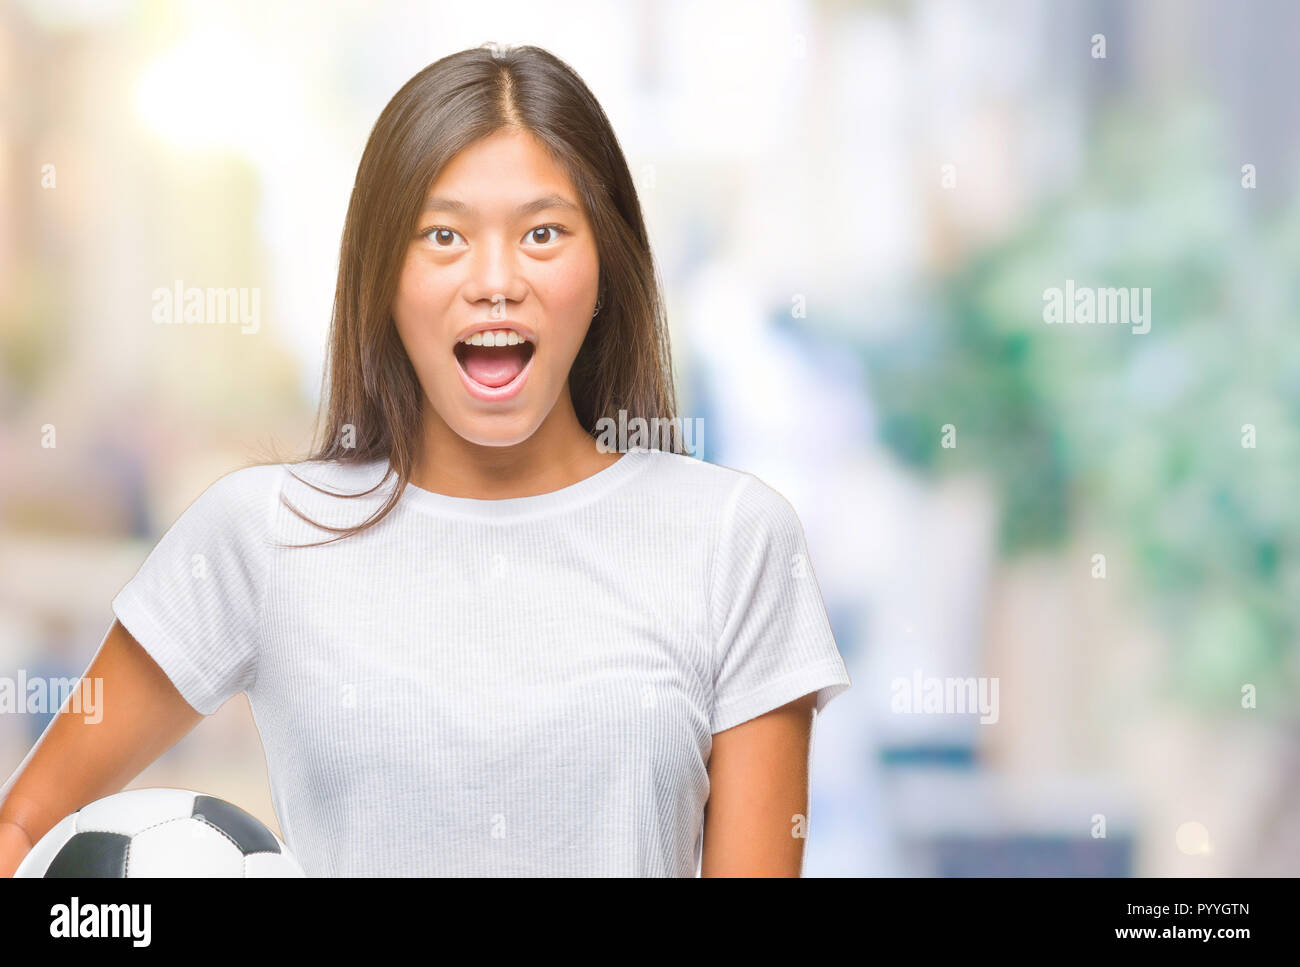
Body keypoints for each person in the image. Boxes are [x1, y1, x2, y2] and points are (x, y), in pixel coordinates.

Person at [0, 43, 850, 877]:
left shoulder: (735, 540)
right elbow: (24, 828)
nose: (495, 280)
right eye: (443, 235)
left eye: (544, 232)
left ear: (607, 271)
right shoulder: (259, 534)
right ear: (382, 275)